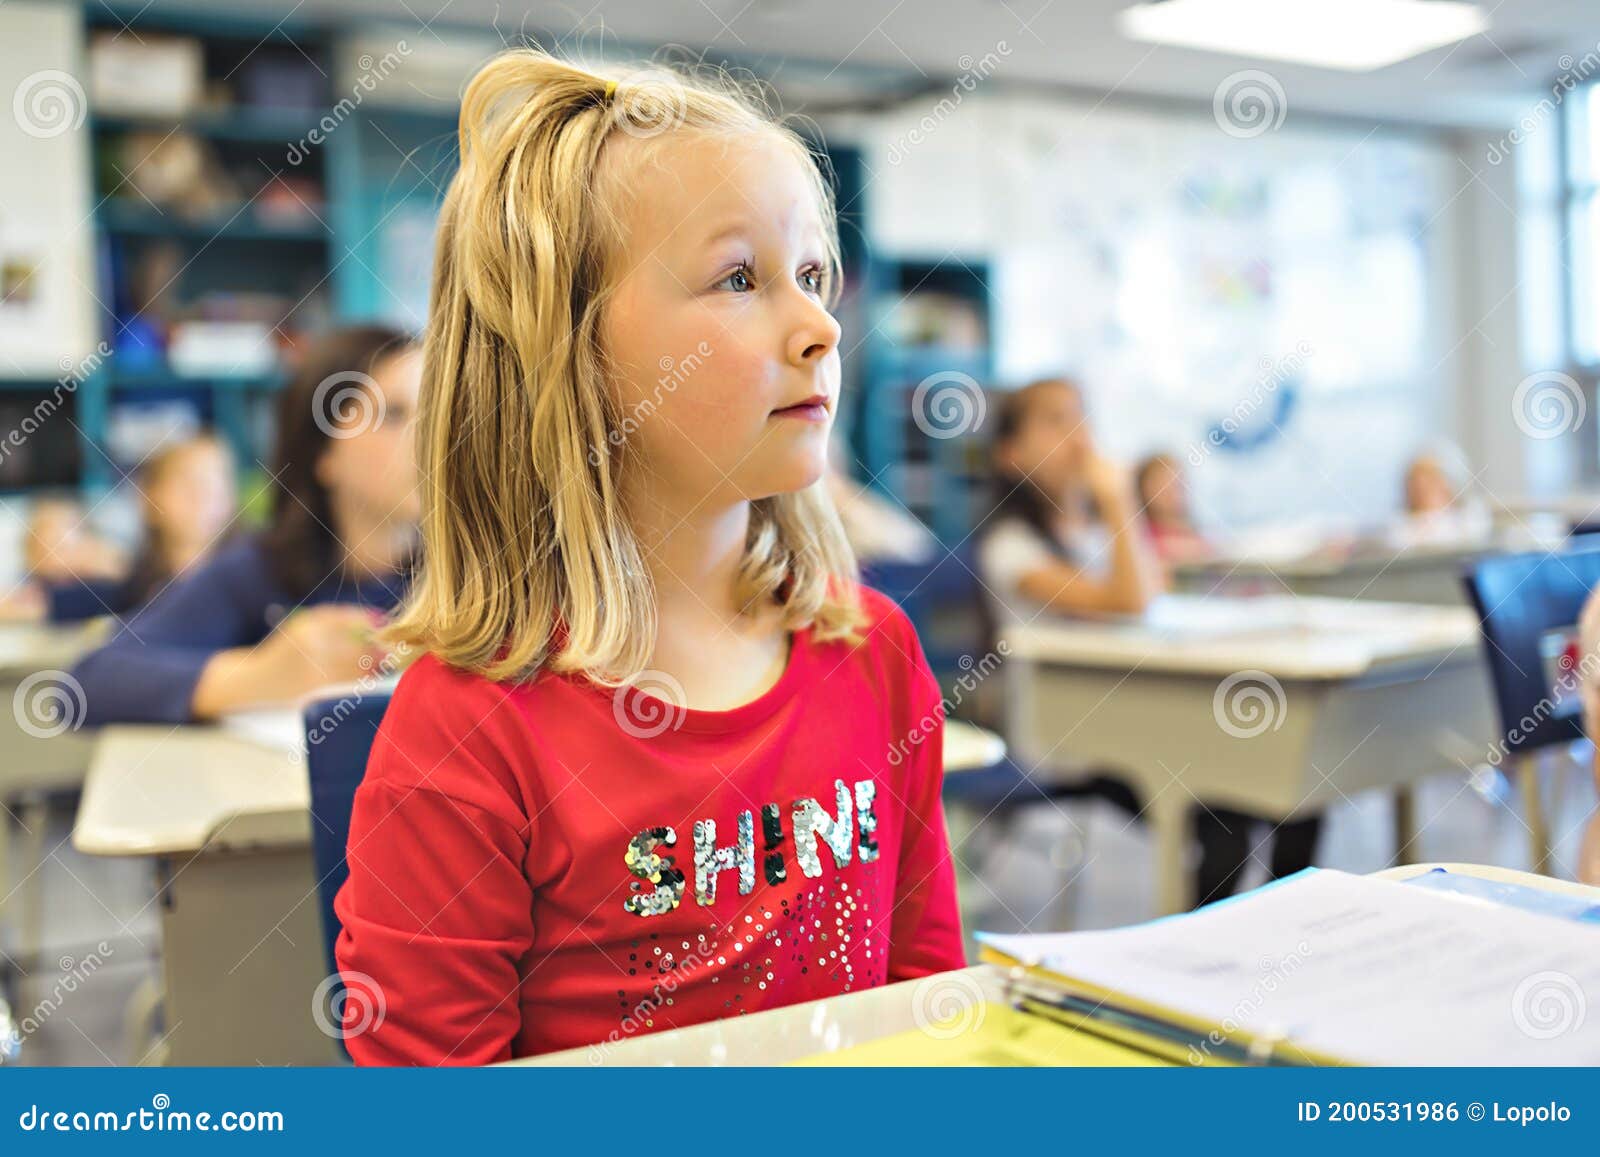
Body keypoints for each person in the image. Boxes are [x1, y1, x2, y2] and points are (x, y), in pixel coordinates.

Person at [332, 51, 966, 1065]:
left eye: (812, 276)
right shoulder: (471, 729)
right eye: (739, 278)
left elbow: (925, 1011)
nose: (819, 326)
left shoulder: (874, 651)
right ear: (566, 351)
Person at [70, 326, 420, 724]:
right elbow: (88, 683)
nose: (430, 437)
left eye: (438, 412)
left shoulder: (470, 580)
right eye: (394, 414)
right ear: (323, 452)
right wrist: (262, 675)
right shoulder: (259, 570)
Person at [1, 433, 237, 623]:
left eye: (218, 482)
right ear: (148, 496)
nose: (205, 495)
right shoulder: (138, 583)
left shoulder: (246, 574)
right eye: (188, 482)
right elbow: (45, 603)